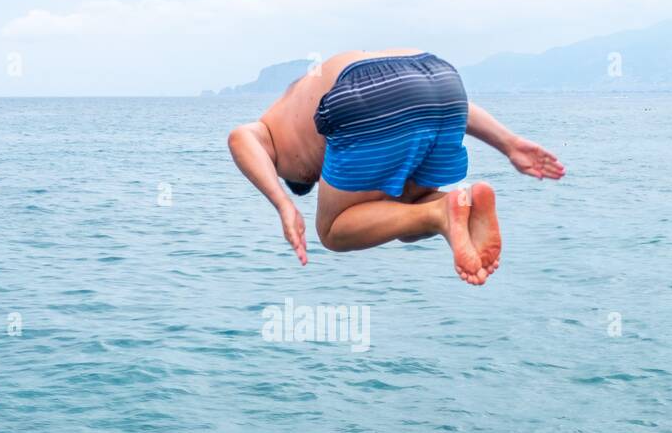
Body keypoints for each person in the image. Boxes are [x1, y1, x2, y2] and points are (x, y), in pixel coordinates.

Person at [228, 49, 565, 285]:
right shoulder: (308, 89)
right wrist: (508, 143)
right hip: (441, 79)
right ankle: (454, 206)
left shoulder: (272, 124)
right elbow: (411, 90)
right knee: (402, 218)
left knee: (333, 231)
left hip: (364, 91)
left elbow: (240, 138)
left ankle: (441, 214)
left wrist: (284, 204)